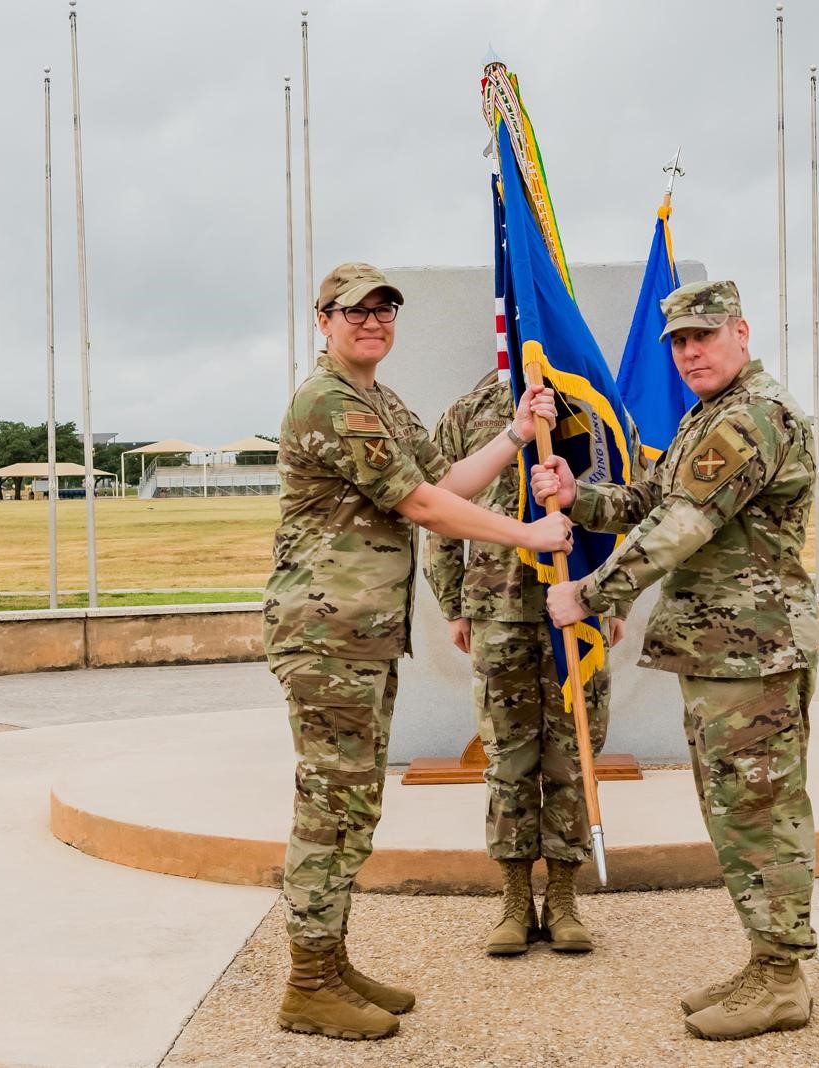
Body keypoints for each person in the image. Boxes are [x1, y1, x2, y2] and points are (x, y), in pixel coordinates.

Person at [263, 262, 573, 1041]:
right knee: (331, 808)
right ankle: (307, 982)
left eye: (384, 309)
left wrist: (514, 433)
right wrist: (528, 533)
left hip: (359, 638)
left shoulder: (381, 400)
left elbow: (450, 479)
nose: (372, 322)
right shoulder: (330, 401)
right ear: (323, 320)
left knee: (354, 805)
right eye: (355, 311)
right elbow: (422, 506)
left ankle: (331, 964)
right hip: (325, 637)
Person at [531, 279, 819, 1042]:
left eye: (705, 336)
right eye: (680, 342)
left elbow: (680, 527)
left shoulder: (753, 418)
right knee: (736, 814)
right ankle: (766, 963)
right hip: (726, 653)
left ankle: (782, 977)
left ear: (741, 333)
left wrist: (589, 594)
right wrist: (579, 496)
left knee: (761, 815)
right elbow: (649, 501)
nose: (690, 352)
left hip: (755, 655)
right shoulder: (708, 417)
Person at [424, 371, 625, 957]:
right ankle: (514, 900)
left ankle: (562, 899)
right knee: (508, 762)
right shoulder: (468, 411)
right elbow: (440, 509)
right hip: (498, 609)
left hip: (578, 608)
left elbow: (627, 504)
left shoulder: (593, 404)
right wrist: (453, 603)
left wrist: (617, 600)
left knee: (572, 758)